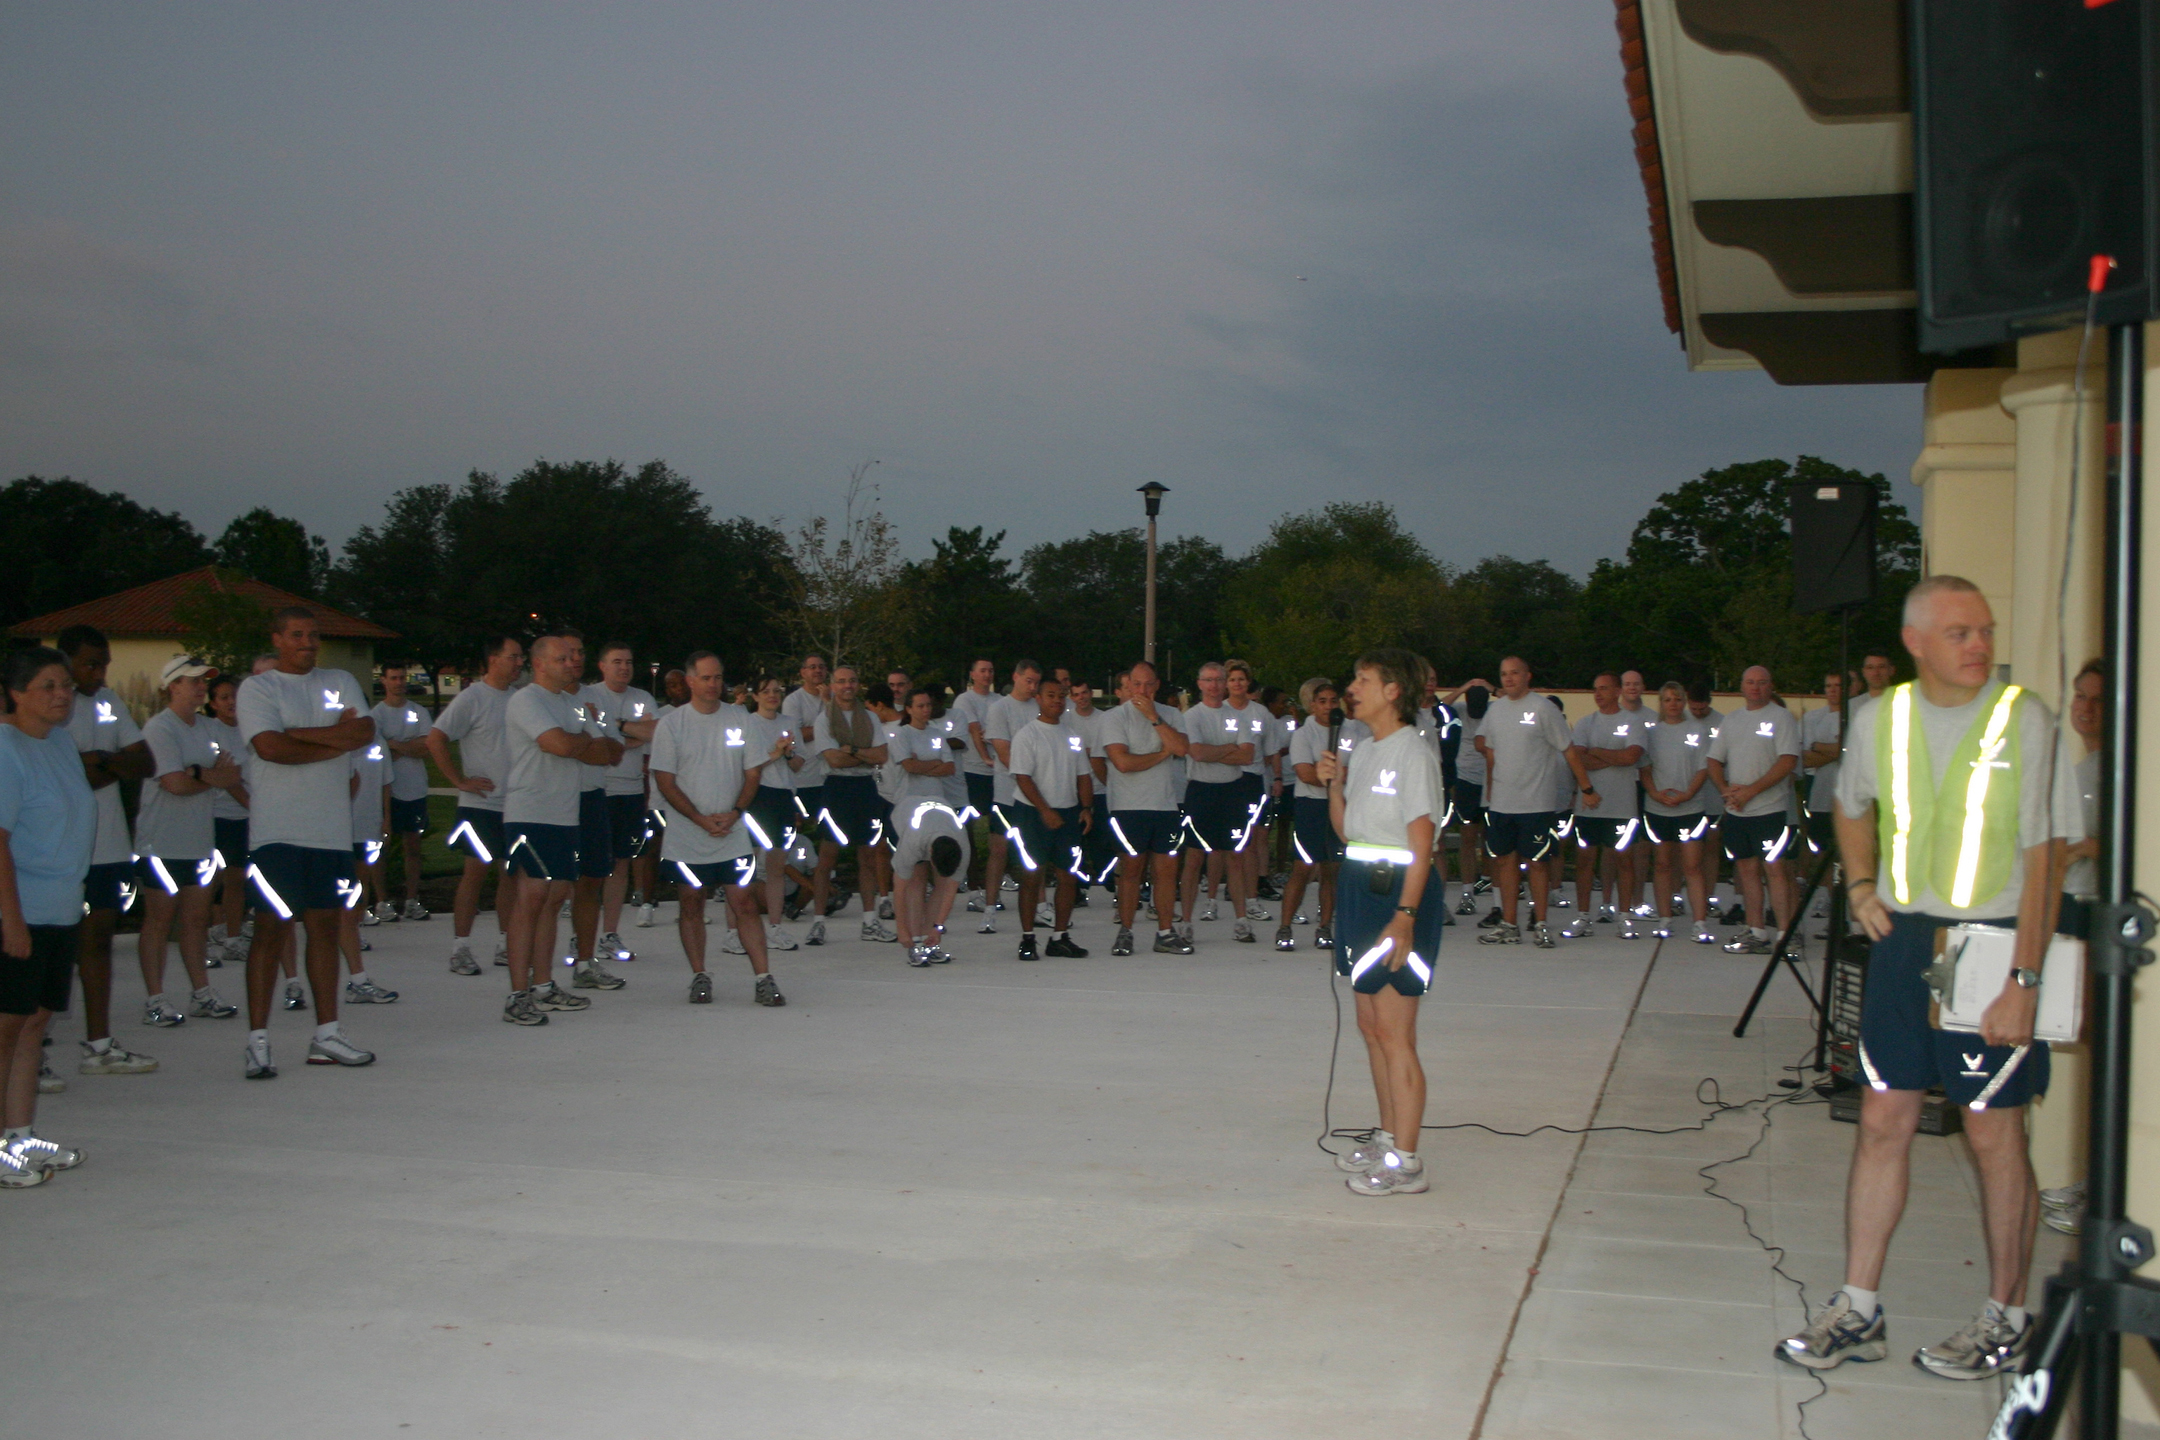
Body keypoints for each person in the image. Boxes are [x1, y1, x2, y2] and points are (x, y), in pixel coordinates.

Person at [1778, 576, 2076, 1381]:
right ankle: (1858, 1308)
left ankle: (2007, 1317)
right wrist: (1863, 882)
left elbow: (2050, 854)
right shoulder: (1883, 717)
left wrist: (2026, 974)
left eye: (1983, 630)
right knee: (1882, 1121)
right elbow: (1851, 804)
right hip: (1906, 944)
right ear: (1916, 642)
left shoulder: (2026, 720)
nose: (1979, 645)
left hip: (1995, 944)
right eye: (1959, 633)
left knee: (1991, 1132)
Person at [1316, 649, 1446, 1198]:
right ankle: (1390, 1135)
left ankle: (1407, 1163)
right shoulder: (1366, 749)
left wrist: (1406, 917)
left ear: (1393, 691)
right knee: (1371, 1026)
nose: (1352, 687)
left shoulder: (1413, 753)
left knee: (1397, 1033)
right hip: (1358, 888)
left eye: (1362, 679)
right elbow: (1349, 833)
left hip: (1396, 894)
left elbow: (1423, 842)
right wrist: (1333, 785)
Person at [234, 607, 379, 1076]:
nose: (308, 642)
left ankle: (327, 1035)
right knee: (271, 931)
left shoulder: (339, 679)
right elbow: (270, 748)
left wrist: (304, 735)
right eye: (297, 634)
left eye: (314, 635)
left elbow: (364, 731)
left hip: (331, 833)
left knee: (325, 929)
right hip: (277, 832)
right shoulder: (259, 688)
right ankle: (258, 1041)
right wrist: (332, 738)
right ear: (277, 638)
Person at [0, 648, 97, 1186]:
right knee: (6, 1028)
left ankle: (18, 1137)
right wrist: (11, 921)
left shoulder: (59, 741)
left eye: (65, 685)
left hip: (61, 908)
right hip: (21, 911)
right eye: (47, 686)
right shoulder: (4, 748)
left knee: (34, 1024)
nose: (61, 694)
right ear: (16, 693)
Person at [495, 631, 618, 1025]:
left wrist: (576, 740)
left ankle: (545, 985)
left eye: (574, 657)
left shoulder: (574, 704)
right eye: (562, 659)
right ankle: (518, 995)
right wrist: (580, 741)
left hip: (566, 814)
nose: (571, 664)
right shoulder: (526, 700)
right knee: (530, 898)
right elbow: (560, 746)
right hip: (530, 811)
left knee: (553, 901)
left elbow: (607, 754)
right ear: (541, 664)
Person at [651, 651, 783, 1007]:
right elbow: (665, 779)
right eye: (706, 678)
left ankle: (763, 978)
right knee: (691, 903)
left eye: (718, 678)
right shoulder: (671, 725)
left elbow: (753, 772)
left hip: (733, 831)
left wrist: (736, 812)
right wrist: (698, 818)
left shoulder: (740, 720)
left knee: (743, 902)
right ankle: (699, 975)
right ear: (690, 681)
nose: (714, 685)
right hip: (686, 835)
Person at [56, 625, 159, 1077]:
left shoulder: (108, 702)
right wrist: (101, 762)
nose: (99, 673)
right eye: (90, 663)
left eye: (104, 664)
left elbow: (143, 761)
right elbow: (60, 773)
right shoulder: (49, 704)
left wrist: (98, 761)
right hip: (56, 848)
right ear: (65, 660)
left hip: (109, 844)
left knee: (98, 942)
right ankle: (32, 1051)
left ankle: (98, 1044)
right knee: (51, 947)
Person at [133, 656, 243, 1026]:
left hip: (199, 842)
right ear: (172, 686)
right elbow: (175, 784)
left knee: (196, 920)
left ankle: (201, 992)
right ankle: (155, 998)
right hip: (161, 843)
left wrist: (203, 774)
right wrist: (211, 776)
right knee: (159, 922)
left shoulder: (205, 729)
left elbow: (226, 774)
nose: (200, 687)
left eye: (203, 681)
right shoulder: (159, 729)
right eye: (192, 681)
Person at [1474, 657, 1587, 949]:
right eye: (1504, 674)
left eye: (1515, 673)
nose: (1509, 679)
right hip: (1501, 803)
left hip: (1536, 803)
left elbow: (1569, 750)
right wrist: (1490, 791)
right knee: (1506, 863)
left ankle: (1540, 924)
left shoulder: (1543, 708)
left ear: (1527, 676)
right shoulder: (1495, 710)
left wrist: (1586, 787)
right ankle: (1509, 925)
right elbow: (1487, 748)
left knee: (1537, 864)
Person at [428, 636, 525, 976]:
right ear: (493, 659)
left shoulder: (519, 700)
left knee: (510, 875)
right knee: (474, 875)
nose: (518, 663)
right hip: (480, 804)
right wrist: (458, 780)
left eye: (521, 658)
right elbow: (436, 737)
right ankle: (461, 948)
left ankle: (505, 943)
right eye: (512, 657)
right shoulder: (472, 698)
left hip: (515, 805)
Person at [566, 643, 651, 988]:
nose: (624, 667)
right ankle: (579, 938)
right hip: (598, 790)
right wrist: (627, 732)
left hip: (631, 790)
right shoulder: (589, 696)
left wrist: (617, 730)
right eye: (616, 662)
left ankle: (609, 934)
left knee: (621, 863)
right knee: (588, 869)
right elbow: (591, 741)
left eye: (629, 662)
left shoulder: (643, 696)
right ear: (601, 666)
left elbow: (655, 732)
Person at [1706, 665, 1803, 955]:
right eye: (1750, 682)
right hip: (1737, 812)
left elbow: (1787, 761)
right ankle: (1756, 931)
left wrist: (1751, 791)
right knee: (1746, 870)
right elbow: (1713, 759)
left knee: (1775, 871)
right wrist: (1726, 790)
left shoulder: (1781, 717)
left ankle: (1786, 934)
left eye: (1762, 683)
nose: (1756, 687)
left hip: (1770, 810)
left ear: (1771, 686)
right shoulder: (1732, 720)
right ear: (1742, 686)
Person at [1101, 660, 1193, 957]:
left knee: (1166, 871)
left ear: (1156, 686)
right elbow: (1123, 763)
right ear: (1128, 685)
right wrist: (1160, 753)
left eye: (1148, 684)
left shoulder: (1170, 715)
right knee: (1131, 871)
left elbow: (1181, 749)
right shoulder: (1114, 717)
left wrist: (1155, 719)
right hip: (1128, 806)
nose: (1142, 690)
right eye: (1136, 684)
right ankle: (1125, 932)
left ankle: (1165, 933)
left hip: (1165, 805)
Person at [1008, 675, 1092, 960]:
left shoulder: (1072, 736)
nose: (1057, 700)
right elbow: (1022, 776)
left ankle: (1059, 937)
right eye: (1051, 695)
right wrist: (1045, 810)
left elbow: (1083, 775)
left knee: (1069, 876)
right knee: (1033, 877)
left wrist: (1086, 808)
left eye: (1061, 695)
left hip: (1068, 813)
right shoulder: (1027, 735)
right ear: (1039, 699)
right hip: (1033, 812)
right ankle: (1028, 938)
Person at [1561, 673, 1649, 941]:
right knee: (1585, 861)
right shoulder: (1586, 723)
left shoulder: (1633, 722)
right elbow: (1578, 759)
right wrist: (1613, 757)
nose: (1598, 694)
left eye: (1604, 689)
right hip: (1589, 805)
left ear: (1617, 691)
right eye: (1595, 689)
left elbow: (1632, 756)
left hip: (1621, 806)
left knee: (1624, 862)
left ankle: (1624, 917)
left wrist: (1597, 751)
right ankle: (1584, 916)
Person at [1278, 678, 1364, 951]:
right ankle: (1285, 927)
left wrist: (1328, 773)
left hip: (1342, 806)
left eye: (1333, 701)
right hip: (1311, 806)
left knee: (1332, 869)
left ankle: (1325, 926)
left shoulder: (1355, 731)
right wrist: (1339, 774)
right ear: (1312, 706)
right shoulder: (1304, 734)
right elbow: (1305, 773)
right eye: (1322, 701)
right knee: (1303, 869)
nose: (1328, 707)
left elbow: (1362, 769)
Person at [1177, 662, 1259, 943]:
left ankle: (1241, 920)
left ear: (1225, 683)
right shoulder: (1192, 717)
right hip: (1201, 791)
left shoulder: (1237, 716)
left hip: (1233, 791)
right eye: (1208, 680)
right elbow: (1197, 752)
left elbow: (1247, 755)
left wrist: (1218, 752)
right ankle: (1185, 921)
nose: (1214, 685)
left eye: (1218, 680)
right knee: (1194, 856)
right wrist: (1229, 748)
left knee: (1234, 857)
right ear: (1199, 684)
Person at [818, 667, 899, 943]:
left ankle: (869, 921)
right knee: (828, 856)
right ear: (832, 685)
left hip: (865, 787)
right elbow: (833, 760)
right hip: (836, 787)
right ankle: (818, 923)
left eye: (852, 680)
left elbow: (882, 756)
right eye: (841, 681)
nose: (847, 686)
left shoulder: (871, 719)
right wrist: (866, 756)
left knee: (868, 854)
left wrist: (851, 750)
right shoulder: (824, 719)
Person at [887, 689, 965, 964]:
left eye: (928, 705)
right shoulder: (901, 735)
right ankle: (914, 940)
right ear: (908, 708)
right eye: (919, 705)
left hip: (938, 804)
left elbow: (949, 768)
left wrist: (925, 766)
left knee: (940, 881)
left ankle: (930, 937)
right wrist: (933, 765)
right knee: (915, 880)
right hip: (909, 809)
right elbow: (908, 766)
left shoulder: (936, 734)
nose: (925, 710)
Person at [1640, 681, 1718, 943]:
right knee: (1662, 865)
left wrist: (1687, 795)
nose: (1673, 704)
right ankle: (1665, 919)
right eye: (1667, 700)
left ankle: (1700, 922)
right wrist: (1654, 794)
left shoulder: (1697, 730)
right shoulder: (1652, 733)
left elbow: (1703, 769)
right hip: (1658, 808)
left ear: (1684, 701)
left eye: (1677, 699)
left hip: (1690, 808)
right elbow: (1645, 768)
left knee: (1693, 867)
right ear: (1661, 703)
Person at [741, 675, 807, 952]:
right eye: (765, 691)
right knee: (747, 867)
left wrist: (789, 754)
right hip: (758, 796)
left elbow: (799, 763)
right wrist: (775, 753)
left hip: (783, 796)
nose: (772, 695)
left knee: (777, 865)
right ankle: (737, 930)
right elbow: (747, 762)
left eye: (776, 691)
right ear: (755, 696)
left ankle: (775, 927)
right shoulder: (748, 723)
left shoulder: (789, 723)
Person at [979, 660, 1045, 933]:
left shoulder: (1040, 707)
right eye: (1028, 680)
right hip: (1008, 792)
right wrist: (1029, 774)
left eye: (1036, 682)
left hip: (1038, 792)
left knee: (1036, 852)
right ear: (1016, 677)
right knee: (999, 850)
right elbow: (1004, 753)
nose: (1032, 687)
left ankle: (1041, 908)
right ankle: (989, 909)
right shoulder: (1000, 708)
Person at [337, 724, 399, 1006]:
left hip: (368, 824)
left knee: (358, 887)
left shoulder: (378, 743)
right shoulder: (337, 742)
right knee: (342, 893)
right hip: (338, 829)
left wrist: (386, 817)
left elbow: (386, 783)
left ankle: (355, 930)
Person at [781, 654, 841, 942]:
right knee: (804, 833)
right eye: (812, 667)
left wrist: (828, 702)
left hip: (828, 775)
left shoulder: (832, 697)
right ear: (803, 672)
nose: (818, 671)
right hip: (803, 779)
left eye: (821, 666)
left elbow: (841, 729)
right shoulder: (794, 701)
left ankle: (826, 887)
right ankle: (806, 891)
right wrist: (822, 724)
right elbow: (796, 736)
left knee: (827, 835)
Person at [369, 664, 434, 923]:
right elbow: (376, 752)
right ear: (383, 681)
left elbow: (427, 746)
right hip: (386, 791)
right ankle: (382, 902)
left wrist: (394, 744)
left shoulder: (418, 712)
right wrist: (406, 745)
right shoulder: (376, 715)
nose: (399, 682)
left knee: (413, 847)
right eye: (393, 678)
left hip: (415, 788)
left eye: (402, 678)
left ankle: (411, 900)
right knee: (380, 849)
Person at [204, 673, 254, 965]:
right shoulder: (211, 731)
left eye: (234, 696)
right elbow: (226, 778)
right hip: (217, 814)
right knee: (210, 880)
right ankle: (205, 936)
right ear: (213, 703)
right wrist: (251, 804)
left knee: (237, 877)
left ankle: (233, 938)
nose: (231, 702)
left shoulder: (249, 730)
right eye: (224, 697)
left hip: (245, 817)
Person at [1223, 660, 1277, 923]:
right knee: (1220, 844)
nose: (1237, 684)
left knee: (1252, 841)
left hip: (1253, 780)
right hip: (1222, 781)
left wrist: (1274, 778)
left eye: (1241, 679)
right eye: (1232, 679)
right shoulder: (1217, 710)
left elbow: (1269, 752)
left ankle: (1252, 899)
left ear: (1248, 682)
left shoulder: (1261, 713)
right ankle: (1214, 898)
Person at [1446, 683, 1493, 919]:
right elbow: (1441, 705)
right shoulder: (1460, 709)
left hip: (1492, 779)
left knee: (1491, 837)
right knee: (1467, 836)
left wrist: (1492, 687)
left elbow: (1512, 699)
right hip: (1465, 779)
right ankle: (1466, 893)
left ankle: (1487, 881)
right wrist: (1465, 686)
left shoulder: (1495, 709)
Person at [1800, 671, 1847, 860]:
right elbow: (1805, 759)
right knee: (1821, 849)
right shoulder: (1812, 719)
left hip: (1846, 794)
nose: (1833, 690)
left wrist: (1818, 747)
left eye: (1838, 686)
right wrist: (1839, 750)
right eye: (1829, 686)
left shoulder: (1855, 716)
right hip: (1819, 793)